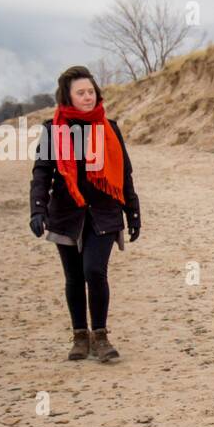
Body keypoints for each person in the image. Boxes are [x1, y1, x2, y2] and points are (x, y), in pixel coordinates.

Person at [29, 65, 141, 362]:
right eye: (81, 93)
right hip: (66, 214)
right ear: (68, 96)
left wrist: (133, 211)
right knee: (74, 277)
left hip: (103, 213)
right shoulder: (53, 130)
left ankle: (101, 336)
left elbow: (124, 173)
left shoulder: (109, 127)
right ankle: (80, 336)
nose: (88, 97)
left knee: (94, 270)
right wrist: (37, 209)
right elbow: (42, 172)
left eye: (91, 91)